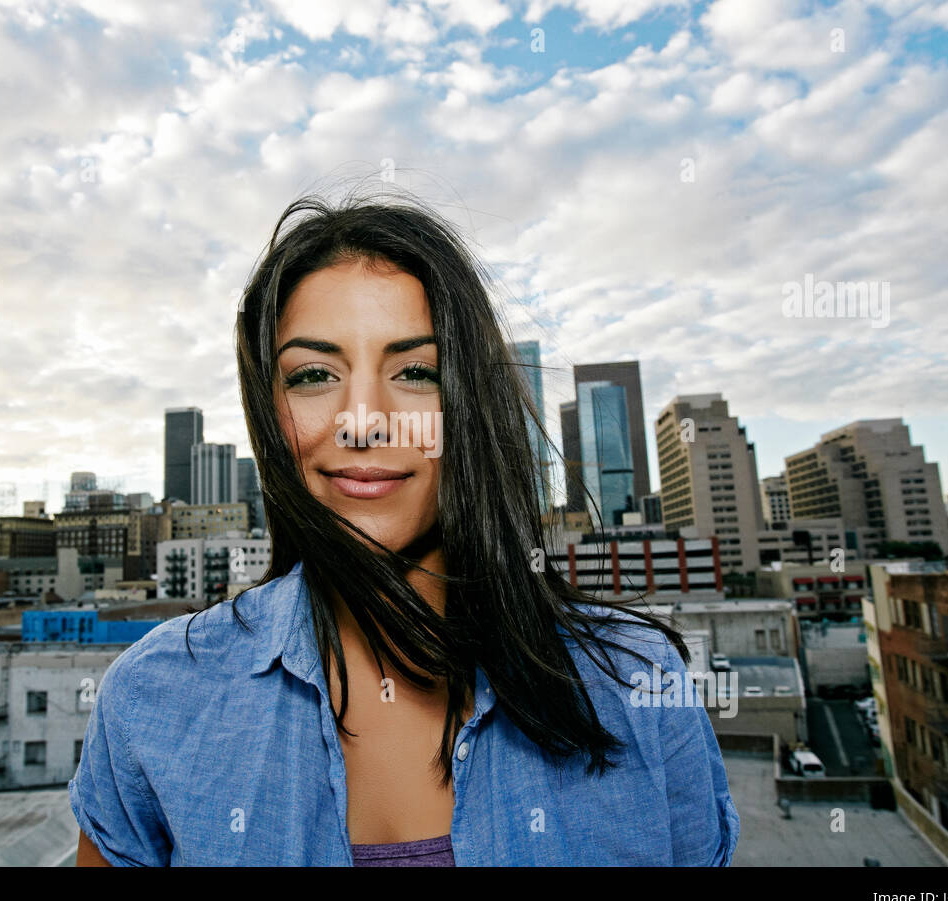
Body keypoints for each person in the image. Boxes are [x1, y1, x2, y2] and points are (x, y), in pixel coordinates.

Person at [70, 188, 739, 866]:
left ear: (466, 405)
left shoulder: (636, 687)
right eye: (313, 375)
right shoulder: (153, 700)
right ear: (270, 413)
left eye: (416, 371)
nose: (364, 419)